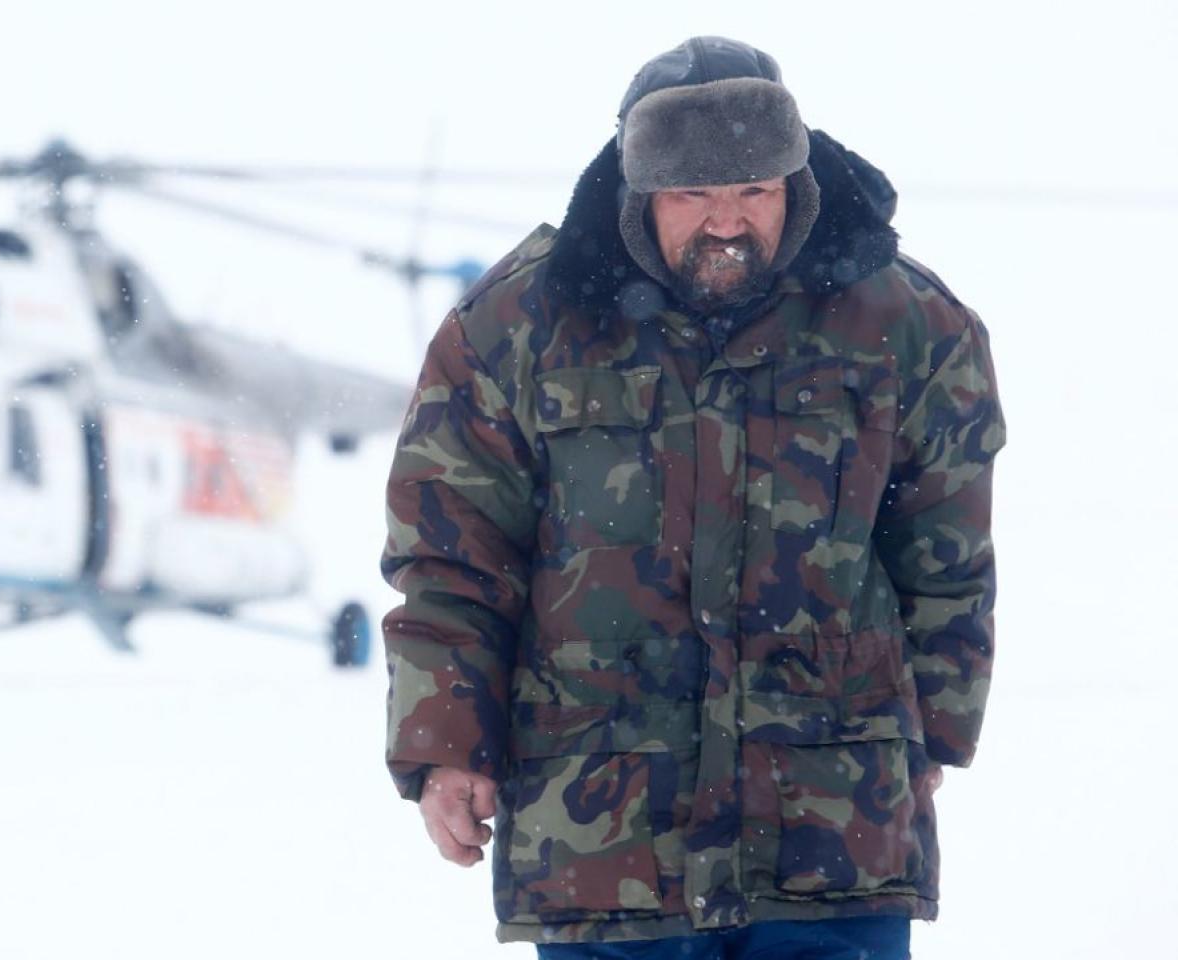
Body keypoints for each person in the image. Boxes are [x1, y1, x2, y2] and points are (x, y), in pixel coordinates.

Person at [379, 36, 1005, 960]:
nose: (726, 223)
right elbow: (453, 559)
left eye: (753, 191)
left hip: (832, 846)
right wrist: (445, 743)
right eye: (692, 195)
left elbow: (948, 560)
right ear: (638, 193)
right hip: (603, 849)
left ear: (795, 181)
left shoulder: (908, 327)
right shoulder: (512, 331)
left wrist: (934, 740)